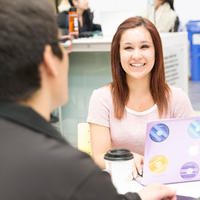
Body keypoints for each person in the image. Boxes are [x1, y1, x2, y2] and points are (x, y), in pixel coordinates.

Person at [0, 0, 176, 199]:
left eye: (144, 47)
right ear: (50, 59)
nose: (137, 55)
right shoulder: (68, 170)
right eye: (63, 42)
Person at [87, 16, 195, 176]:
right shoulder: (101, 98)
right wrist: (127, 160)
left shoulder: (177, 98)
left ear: (156, 52)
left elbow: (190, 151)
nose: (136, 56)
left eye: (144, 46)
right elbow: (98, 156)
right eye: (128, 48)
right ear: (118, 54)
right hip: (121, 185)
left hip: (166, 184)